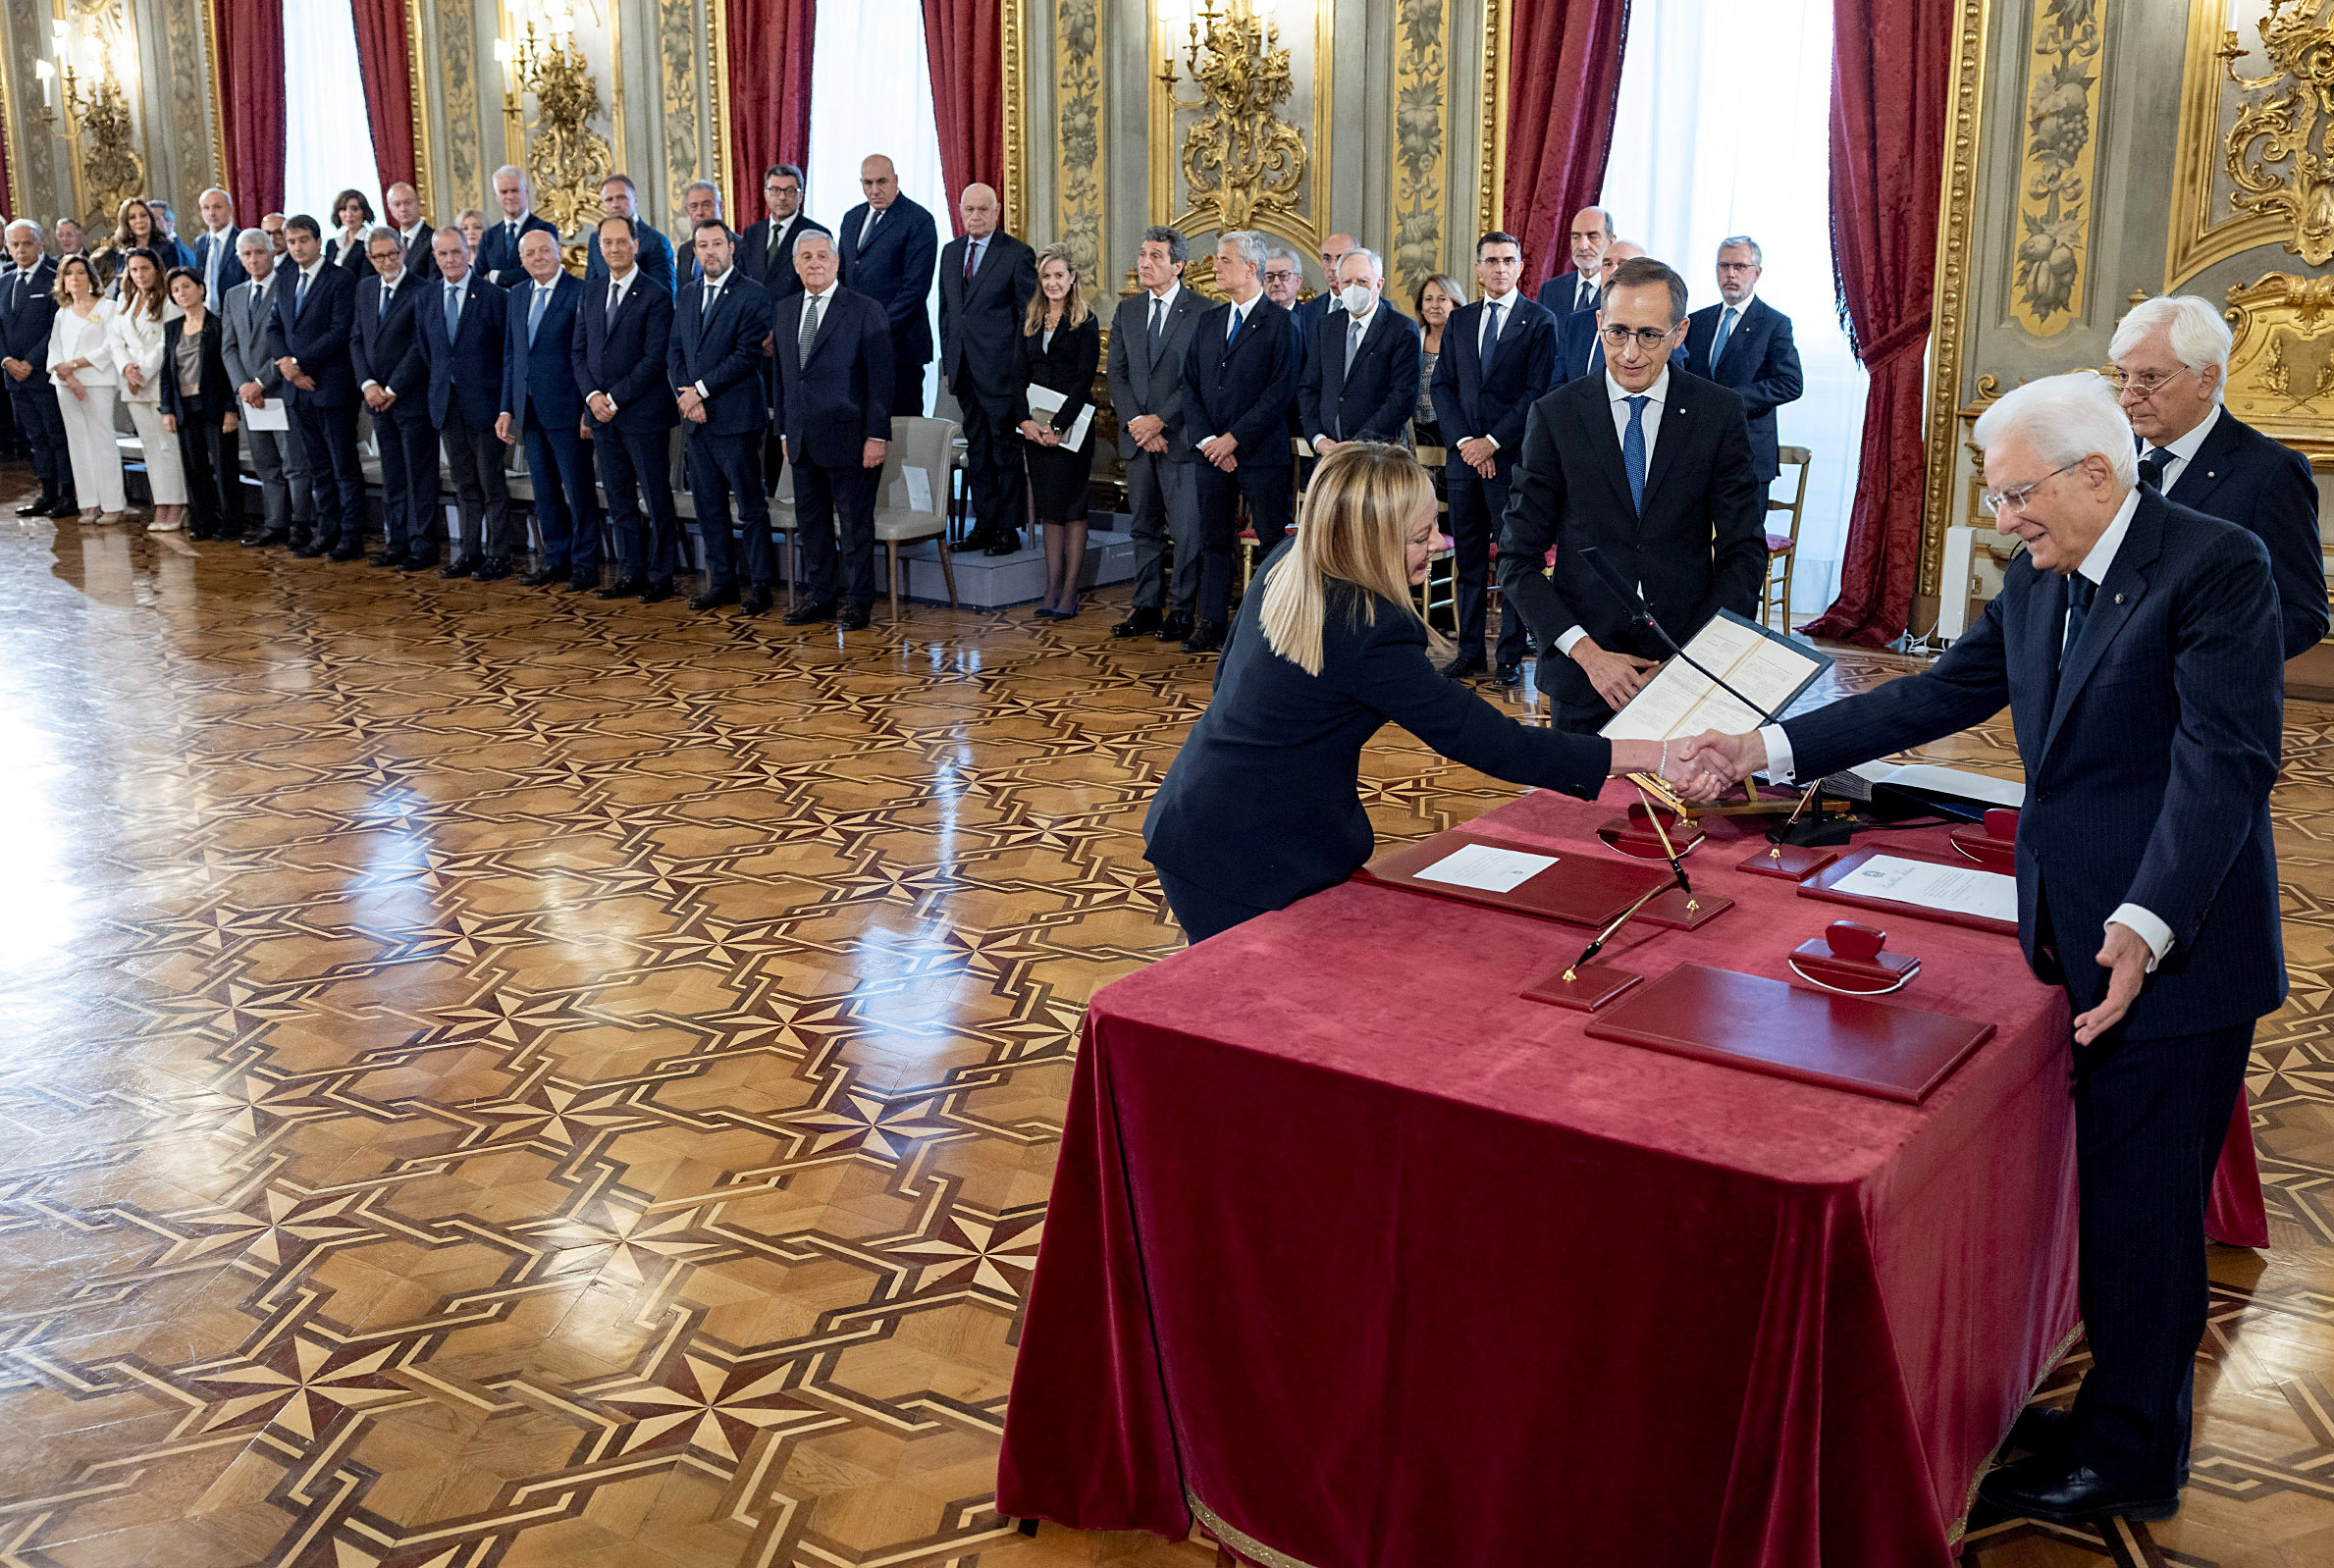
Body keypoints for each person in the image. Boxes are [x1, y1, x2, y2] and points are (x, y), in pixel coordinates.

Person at [1681, 371, 2287, 1531]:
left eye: (2014, 496)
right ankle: (2116, 1413)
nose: (1999, 519)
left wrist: (2144, 920)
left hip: (2172, 947)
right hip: (2073, 923)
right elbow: (1934, 696)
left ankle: (2128, 1457)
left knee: (2146, 1214)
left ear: (2093, 476)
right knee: (2110, 1195)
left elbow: (2222, 767)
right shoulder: (2037, 575)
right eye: (1994, 495)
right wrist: (1762, 742)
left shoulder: (2213, 566)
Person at [1144, 442, 1723, 943]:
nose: (1441, 543)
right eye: (1421, 536)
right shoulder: (1366, 628)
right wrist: (1659, 754)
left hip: (1204, 818)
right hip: (1242, 855)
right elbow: (1498, 746)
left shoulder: (1291, 560)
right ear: (1371, 540)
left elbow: (1227, 681)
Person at [1498, 255, 1767, 734]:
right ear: (1599, 323)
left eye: (1649, 335)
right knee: (1577, 811)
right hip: (1585, 673)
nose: (1629, 353)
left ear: (1679, 333)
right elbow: (1517, 558)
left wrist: (1693, 660)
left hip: (1688, 669)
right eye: (1617, 332)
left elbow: (1743, 552)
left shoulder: (1717, 414)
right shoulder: (1556, 415)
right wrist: (1587, 654)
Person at [2111, 293, 2325, 659]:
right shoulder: (2107, 453)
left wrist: (2210, 658)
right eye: (2123, 377)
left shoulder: (2270, 471)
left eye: (2150, 378)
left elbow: (2303, 613)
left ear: (2205, 379)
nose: (2129, 398)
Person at [1429, 231, 1559, 683]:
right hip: (1464, 463)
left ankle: (1507, 657)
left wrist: (1492, 442)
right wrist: (1467, 442)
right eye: (1491, 261)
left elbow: (1537, 394)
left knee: (1512, 561)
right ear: (1479, 268)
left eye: (1509, 260)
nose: (1500, 268)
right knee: (1468, 559)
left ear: (1521, 267)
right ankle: (1468, 652)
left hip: (1512, 463)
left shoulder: (1540, 321)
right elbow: (1441, 386)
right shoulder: (1460, 321)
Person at [1181, 230, 1303, 655]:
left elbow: (1280, 392)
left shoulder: (1282, 323)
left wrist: (1234, 439)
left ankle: (1269, 628)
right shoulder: (1209, 321)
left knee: (1272, 542)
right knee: (1213, 541)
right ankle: (1211, 622)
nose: (1214, 266)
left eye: (1223, 260)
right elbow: (1191, 386)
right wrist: (1210, 441)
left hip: (1259, 454)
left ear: (1251, 268)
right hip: (1210, 454)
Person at [769, 230, 891, 630]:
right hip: (802, 439)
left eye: (822, 255)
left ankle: (858, 601)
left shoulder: (863, 309)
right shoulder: (785, 310)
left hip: (851, 439)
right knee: (812, 524)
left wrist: (876, 435)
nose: (814, 263)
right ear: (796, 265)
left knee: (855, 525)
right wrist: (785, 432)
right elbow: (783, 377)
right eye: (806, 257)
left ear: (837, 262)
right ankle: (820, 596)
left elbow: (880, 379)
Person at [1106, 225, 1209, 644]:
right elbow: (1117, 373)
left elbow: (1198, 379)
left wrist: (1160, 422)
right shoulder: (1128, 311)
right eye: (1142, 254)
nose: (1144, 263)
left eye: (1155, 257)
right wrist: (1140, 425)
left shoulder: (1203, 312)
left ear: (1178, 265)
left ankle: (1183, 611)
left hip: (1179, 440)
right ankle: (1146, 606)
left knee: (1186, 532)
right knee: (1142, 527)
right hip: (1139, 441)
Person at [670, 218, 776, 615]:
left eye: (717, 243)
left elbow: (747, 354)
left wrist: (700, 391)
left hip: (736, 418)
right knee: (708, 506)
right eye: (702, 245)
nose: (710, 251)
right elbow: (674, 351)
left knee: (750, 506)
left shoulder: (753, 294)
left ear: (731, 248)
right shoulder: (686, 294)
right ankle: (722, 583)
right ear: (694, 251)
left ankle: (761, 585)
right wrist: (687, 396)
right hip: (695, 421)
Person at [573, 213, 680, 601]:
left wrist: (614, 399)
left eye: (622, 242)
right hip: (602, 417)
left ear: (636, 245)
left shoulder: (655, 294)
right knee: (618, 500)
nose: (614, 249)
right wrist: (592, 398)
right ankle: (629, 571)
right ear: (599, 249)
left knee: (655, 498)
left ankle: (661, 576)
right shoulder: (591, 291)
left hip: (643, 415)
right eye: (607, 243)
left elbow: (655, 360)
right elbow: (579, 352)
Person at [938, 183, 1037, 557]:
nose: (975, 217)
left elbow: (1026, 320)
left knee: (1004, 451)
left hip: (1001, 375)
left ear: (996, 212)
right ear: (961, 212)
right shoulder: (950, 253)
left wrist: (1017, 376)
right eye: (969, 210)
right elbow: (947, 314)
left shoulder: (1016, 255)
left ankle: (1007, 530)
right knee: (978, 451)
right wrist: (950, 365)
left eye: (983, 210)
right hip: (963, 372)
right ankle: (982, 525)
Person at [498, 229, 599, 591]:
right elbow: (512, 355)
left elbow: (588, 356)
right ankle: (555, 558)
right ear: (521, 260)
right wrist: (506, 407)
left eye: (545, 250)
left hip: (570, 409)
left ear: (559, 253)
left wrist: (588, 407)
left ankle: (585, 563)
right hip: (529, 411)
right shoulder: (517, 295)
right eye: (530, 253)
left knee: (579, 489)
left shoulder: (581, 292)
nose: (538, 257)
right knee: (545, 490)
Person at [416, 226, 512, 580]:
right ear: (435, 257)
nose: (450, 260)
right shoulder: (425, 298)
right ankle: (470, 552)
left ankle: (499, 555)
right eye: (443, 254)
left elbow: (506, 355)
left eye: (456, 252)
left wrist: (505, 406)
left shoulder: (493, 296)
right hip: (446, 404)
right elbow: (428, 352)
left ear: (468, 253)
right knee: (464, 483)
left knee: (491, 484)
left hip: (485, 405)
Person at [270, 214, 365, 560]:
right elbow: (274, 326)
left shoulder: (340, 279)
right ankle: (327, 531)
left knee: (343, 465)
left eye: (303, 241)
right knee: (317, 466)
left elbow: (340, 332)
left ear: (316, 240)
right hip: (298, 389)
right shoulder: (284, 277)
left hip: (333, 387)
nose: (296, 248)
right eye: (291, 241)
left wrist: (299, 364)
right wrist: (287, 365)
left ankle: (351, 536)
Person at [1015, 244, 1102, 619]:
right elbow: (1017, 374)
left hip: (1073, 429)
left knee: (1073, 508)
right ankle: (1050, 587)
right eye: (1046, 277)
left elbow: (1085, 381)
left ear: (1072, 279)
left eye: (1059, 276)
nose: (1053, 283)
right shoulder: (1030, 317)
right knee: (1050, 510)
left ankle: (1070, 592)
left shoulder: (1086, 319)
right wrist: (1025, 422)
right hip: (1035, 432)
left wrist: (1059, 425)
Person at [1681, 236, 1802, 484]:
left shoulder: (1774, 323)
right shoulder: (1698, 321)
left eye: (1739, 267)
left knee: (1742, 524)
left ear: (1756, 273)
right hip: (1697, 454)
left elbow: (1791, 383)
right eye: (1723, 266)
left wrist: (1732, 400)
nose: (1731, 274)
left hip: (1749, 455)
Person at [352, 226, 436, 570]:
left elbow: (420, 346)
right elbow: (356, 339)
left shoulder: (423, 290)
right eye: (379, 256)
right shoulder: (365, 288)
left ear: (403, 251)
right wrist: (368, 385)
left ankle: (423, 546)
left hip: (410, 398)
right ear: (369, 259)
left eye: (392, 253)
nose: (387, 261)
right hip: (376, 400)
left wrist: (392, 389)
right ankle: (396, 541)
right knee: (393, 473)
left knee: (419, 475)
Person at [223, 229, 310, 549]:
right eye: (246, 254)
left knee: (294, 465)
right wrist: (243, 387)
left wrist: (260, 383)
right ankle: (275, 524)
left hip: (280, 391)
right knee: (266, 465)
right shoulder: (233, 295)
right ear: (239, 258)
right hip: (250, 398)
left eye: (259, 252)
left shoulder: (288, 288)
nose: (253, 259)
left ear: (271, 254)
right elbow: (228, 348)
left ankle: (300, 527)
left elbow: (287, 345)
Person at [836, 154, 938, 416]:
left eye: (882, 181)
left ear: (895, 180)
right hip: (856, 350)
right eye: (867, 183)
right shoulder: (851, 218)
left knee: (900, 436)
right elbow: (842, 277)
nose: (874, 190)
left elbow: (914, 290)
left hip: (900, 349)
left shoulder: (918, 220)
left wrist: (875, 333)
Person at [1300, 248, 1422, 454]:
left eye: (1363, 282)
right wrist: (1318, 438)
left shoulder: (1402, 329)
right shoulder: (1326, 326)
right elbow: (1309, 387)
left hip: (1379, 453)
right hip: (1328, 452)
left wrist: (1361, 442)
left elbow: (1403, 397)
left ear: (1379, 284)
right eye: (1347, 282)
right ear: (1338, 285)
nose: (1354, 288)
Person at [107, 248, 190, 532]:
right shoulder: (123, 301)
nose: (140, 275)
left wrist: (141, 371)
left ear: (156, 269)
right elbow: (115, 340)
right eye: (134, 270)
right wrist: (126, 368)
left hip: (158, 380)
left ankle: (177, 504)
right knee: (150, 448)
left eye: (145, 268)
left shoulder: (169, 300)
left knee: (168, 446)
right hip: (132, 383)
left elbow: (167, 342)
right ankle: (161, 503)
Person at [159, 266, 239, 542]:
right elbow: (167, 372)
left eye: (186, 287)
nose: (181, 293)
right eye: (175, 290)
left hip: (216, 406)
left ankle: (231, 524)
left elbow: (228, 370)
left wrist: (231, 408)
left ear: (201, 289)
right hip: (185, 407)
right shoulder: (171, 328)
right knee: (194, 468)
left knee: (224, 466)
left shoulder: (218, 325)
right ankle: (203, 522)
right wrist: (167, 409)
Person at [2, 220, 74, 519]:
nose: (20, 250)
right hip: (13, 377)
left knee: (57, 436)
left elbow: (56, 327)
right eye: (14, 244)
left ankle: (68, 495)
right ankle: (46, 493)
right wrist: (6, 360)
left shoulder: (55, 277)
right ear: (7, 247)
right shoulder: (4, 281)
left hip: (44, 373)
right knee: (35, 438)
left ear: (41, 244)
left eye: (27, 243)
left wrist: (29, 362)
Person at [47, 255, 124, 522]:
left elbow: (110, 346)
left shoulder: (108, 308)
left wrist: (75, 365)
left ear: (91, 278)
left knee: (102, 441)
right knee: (78, 443)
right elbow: (54, 348)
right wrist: (69, 377)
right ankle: (88, 504)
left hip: (98, 381)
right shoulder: (62, 313)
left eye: (80, 272)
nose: (75, 278)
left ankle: (112, 504)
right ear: (63, 282)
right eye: (69, 274)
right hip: (66, 384)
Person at [737, 164, 826, 301]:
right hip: (754, 317)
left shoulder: (816, 234)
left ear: (801, 195)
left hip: (793, 316)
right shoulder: (752, 233)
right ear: (765, 193)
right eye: (775, 190)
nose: (782, 197)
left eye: (790, 191)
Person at [587, 175, 676, 296]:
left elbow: (664, 295)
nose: (615, 205)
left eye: (621, 198)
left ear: (634, 199)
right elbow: (590, 288)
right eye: (609, 200)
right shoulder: (595, 239)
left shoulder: (656, 241)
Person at [479, 167, 557, 289]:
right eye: (504, 192)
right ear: (496, 196)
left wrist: (495, 276)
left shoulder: (544, 229)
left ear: (525, 192)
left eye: (514, 190)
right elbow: (479, 276)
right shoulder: (489, 236)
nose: (510, 196)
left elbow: (540, 272)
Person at [1411, 273, 1461, 452]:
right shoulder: (1412, 340)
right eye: (1428, 299)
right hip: (1414, 431)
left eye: (1442, 299)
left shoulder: (1465, 344)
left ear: (1455, 304)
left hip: (1453, 432)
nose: (1434, 306)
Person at [1536, 206, 1616, 317]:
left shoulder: (1619, 290)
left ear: (1610, 242)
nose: (1583, 246)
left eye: (1592, 236)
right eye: (1576, 237)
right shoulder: (1550, 290)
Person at [1290, 232, 1355, 344]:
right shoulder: (1308, 311)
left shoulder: (1373, 308)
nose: (1333, 267)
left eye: (1340, 259)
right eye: (1327, 258)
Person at [93, 198, 167, 292]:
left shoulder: (167, 248)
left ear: (150, 218)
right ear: (126, 223)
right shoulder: (123, 252)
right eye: (132, 217)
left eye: (143, 215)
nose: (139, 220)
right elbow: (119, 288)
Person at [680, 181, 743, 284]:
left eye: (706, 205)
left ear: (721, 207)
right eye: (694, 206)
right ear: (687, 210)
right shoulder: (685, 251)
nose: (699, 212)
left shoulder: (742, 247)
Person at [190, 187, 243, 311]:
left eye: (217, 207)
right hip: (205, 314)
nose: (211, 213)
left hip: (234, 311)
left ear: (230, 209)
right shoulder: (200, 242)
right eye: (206, 208)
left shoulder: (242, 239)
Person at [383, 183, 436, 283]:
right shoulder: (389, 241)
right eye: (397, 204)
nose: (403, 209)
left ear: (419, 203)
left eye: (407, 202)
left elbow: (434, 282)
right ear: (390, 209)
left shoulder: (434, 239)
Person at [325, 190, 376, 274]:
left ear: (364, 212)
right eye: (343, 209)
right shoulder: (332, 244)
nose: (348, 214)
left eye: (354, 209)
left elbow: (367, 277)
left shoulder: (371, 241)